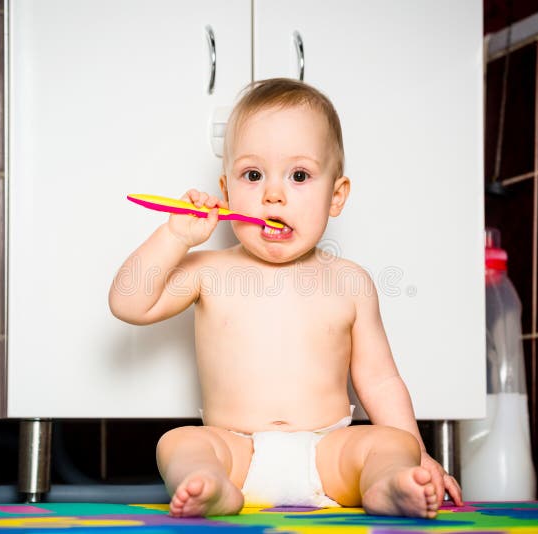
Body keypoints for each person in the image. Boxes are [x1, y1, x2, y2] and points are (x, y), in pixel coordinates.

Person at [109, 78, 463, 518]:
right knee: (179, 443)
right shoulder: (208, 271)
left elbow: (380, 381)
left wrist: (418, 453)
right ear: (226, 191)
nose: (273, 195)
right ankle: (210, 486)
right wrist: (174, 237)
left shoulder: (350, 282)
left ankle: (389, 483)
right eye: (253, 175)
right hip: (237, 453)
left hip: (328, 454)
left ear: (336, 196)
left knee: (391, 443)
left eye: (299, 176)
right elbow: (128, 303)